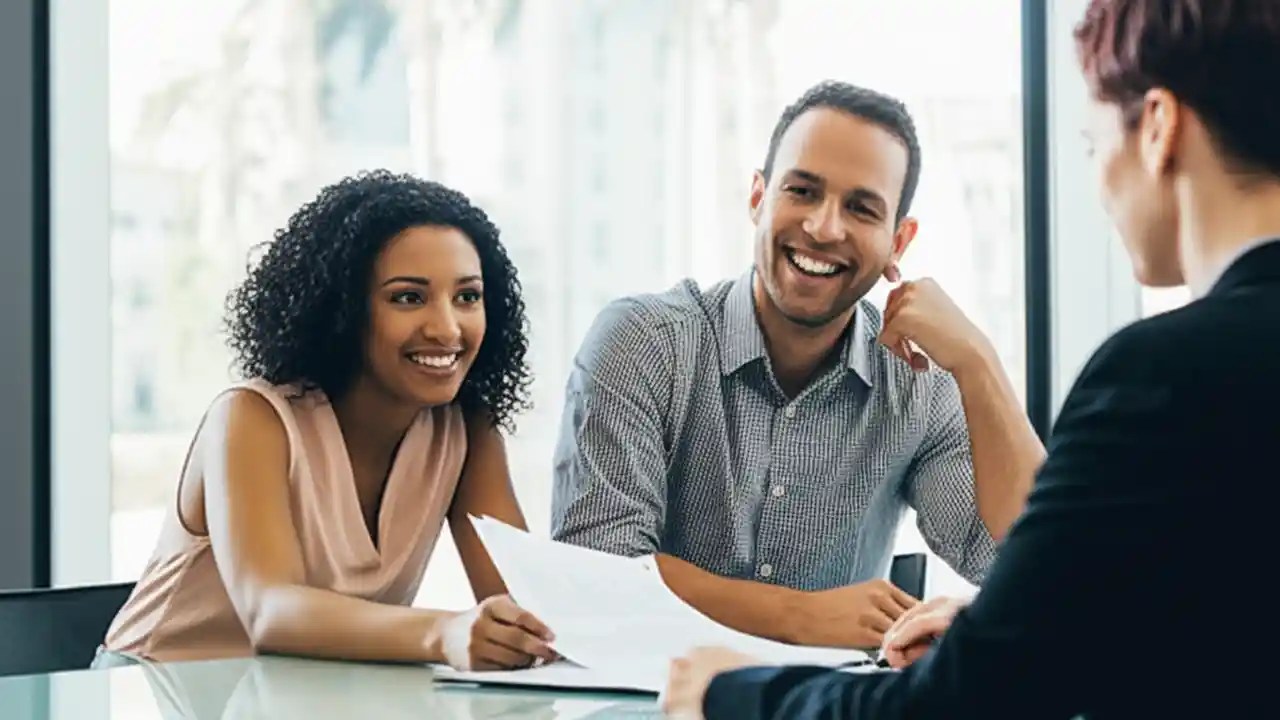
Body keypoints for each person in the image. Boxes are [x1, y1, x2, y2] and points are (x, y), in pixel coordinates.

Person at [664, 0, 1280, 716]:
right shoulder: (658, 336)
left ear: (1158, 127)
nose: (1099, 184)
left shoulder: (1168, 374)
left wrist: (728, 694)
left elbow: (955, 701)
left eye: (1090, 142)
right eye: (802, 190)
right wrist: (1021, 636)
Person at [550, 80, 1045, 651]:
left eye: (861, 208)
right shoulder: (644, 342)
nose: (824, 227)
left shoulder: (919, 388)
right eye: (803, 191)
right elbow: (594, 574)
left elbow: (1036, 566)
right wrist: (796, 615)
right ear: (758, 198)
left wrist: (978, 364)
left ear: (898, 241)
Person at [100, 171, 556, 672]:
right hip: (152, 694)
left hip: (302, 700)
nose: (447, 327)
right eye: (408, 297)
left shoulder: (466, 428)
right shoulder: (252, 418)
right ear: (344, 310)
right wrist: (443, 632)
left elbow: (530, 608)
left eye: (467, 297)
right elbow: (270, 611)